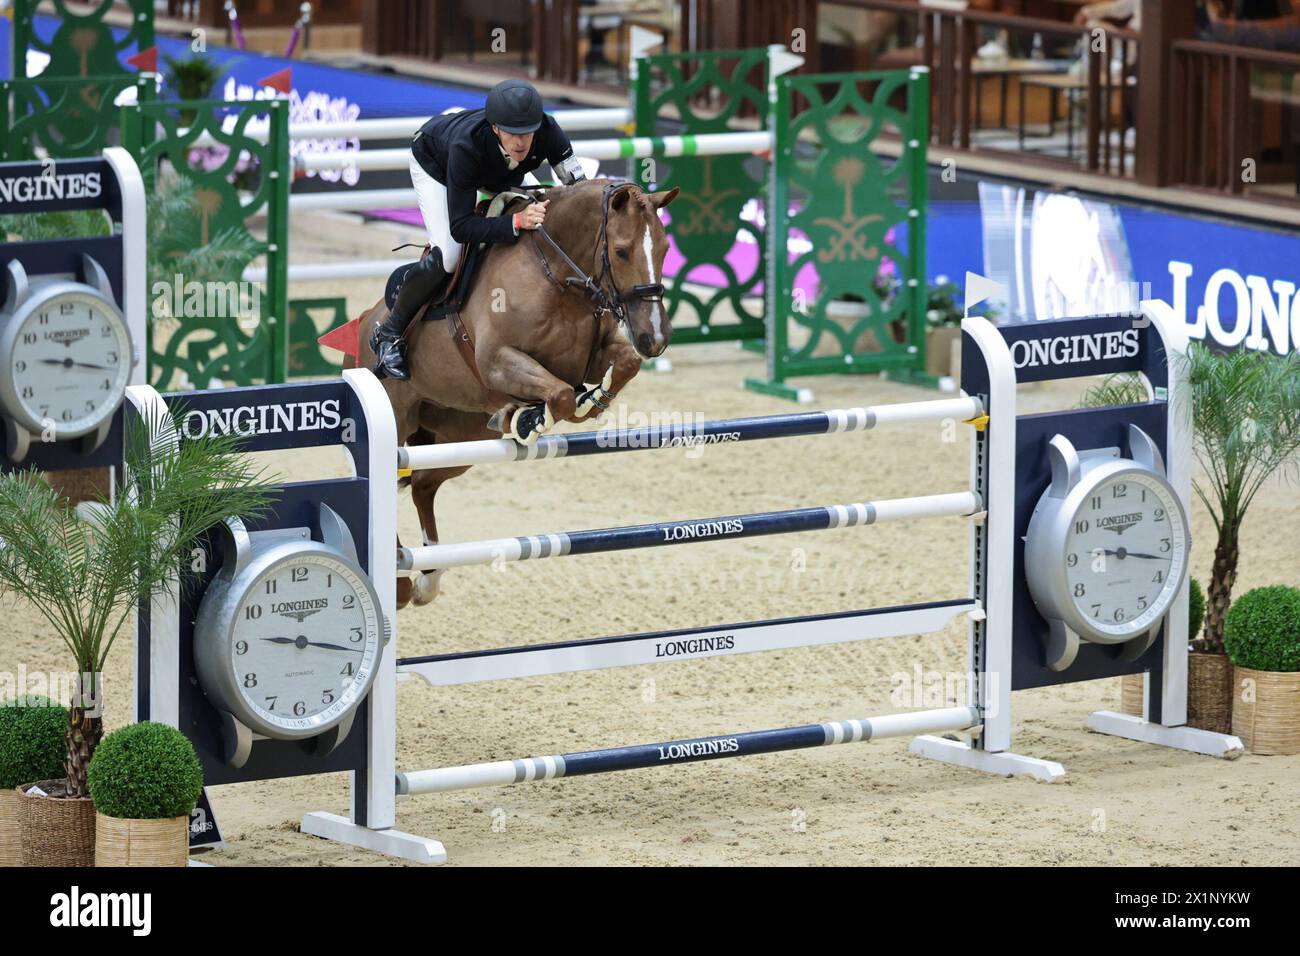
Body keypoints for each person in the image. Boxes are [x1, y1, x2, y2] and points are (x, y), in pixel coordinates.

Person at [370, 78, 589, 380]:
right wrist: (515, 222)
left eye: (528, 132)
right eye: (513, 133)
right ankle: (389, 333)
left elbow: (578, 187)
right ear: (496, 128)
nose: (522, 142)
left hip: (495, 170)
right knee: (449, 255)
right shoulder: (465, 147)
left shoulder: (548, 130)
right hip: (437, 161)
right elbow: (461, 227)